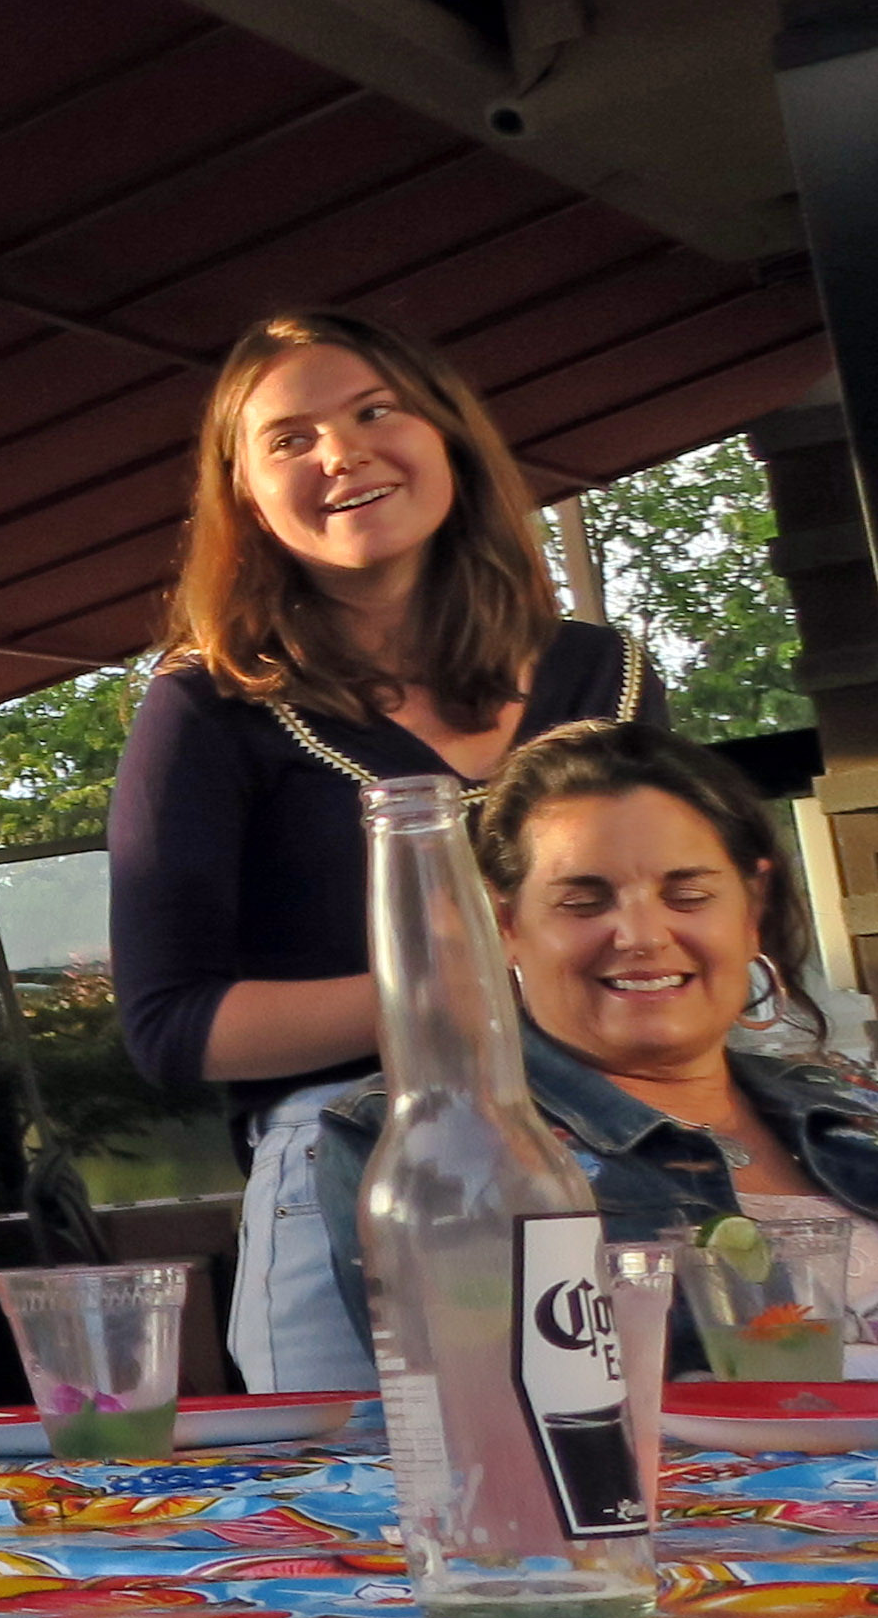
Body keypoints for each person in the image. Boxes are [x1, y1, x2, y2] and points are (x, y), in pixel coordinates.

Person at [106, 310, 655, 1393]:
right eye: (286, 439)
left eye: (371, 410)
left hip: (619, 1151)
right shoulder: (207, 705)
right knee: (367, 1536)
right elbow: (168, 1023)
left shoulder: (605, 674)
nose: (338, 453)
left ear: (445, 432)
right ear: (244, 498)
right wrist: (474, 989)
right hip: (349, 1161)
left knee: (657, 1500)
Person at [306, 722, 877, 1374]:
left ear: (751, 911)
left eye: (688, 896)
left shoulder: (851, 1101)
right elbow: (490, 1395)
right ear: (506, 927)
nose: (640, 935)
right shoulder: (442, 1135)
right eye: (583, 902)